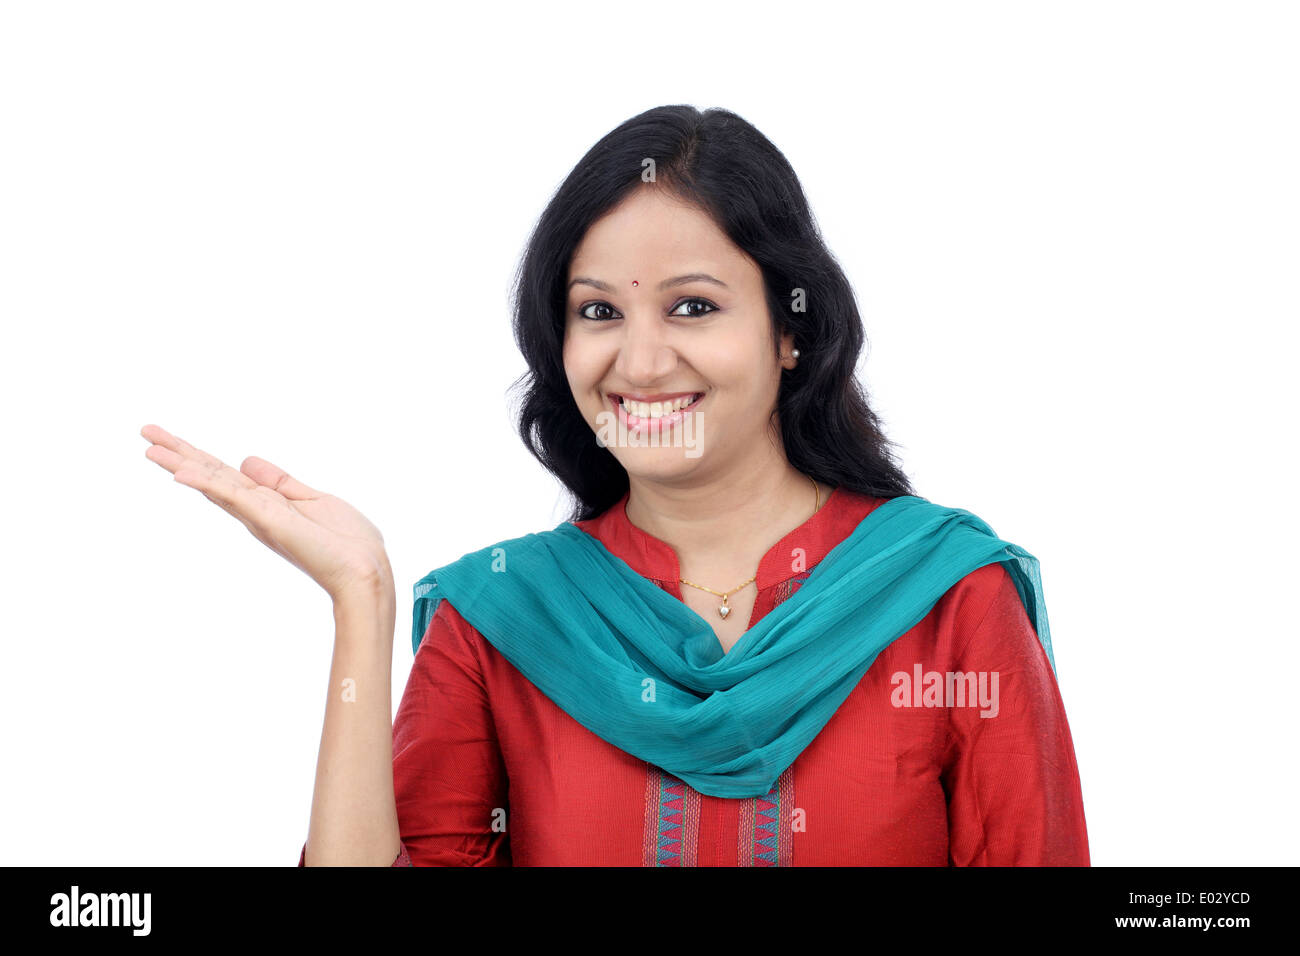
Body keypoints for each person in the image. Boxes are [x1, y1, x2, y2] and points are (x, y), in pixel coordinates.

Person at [142, 105, 1088, 866]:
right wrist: (364, 601)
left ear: (791, 330)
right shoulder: (504, 619)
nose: (640, 362)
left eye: (692, 306)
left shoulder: (947, 598)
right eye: (598, 310)